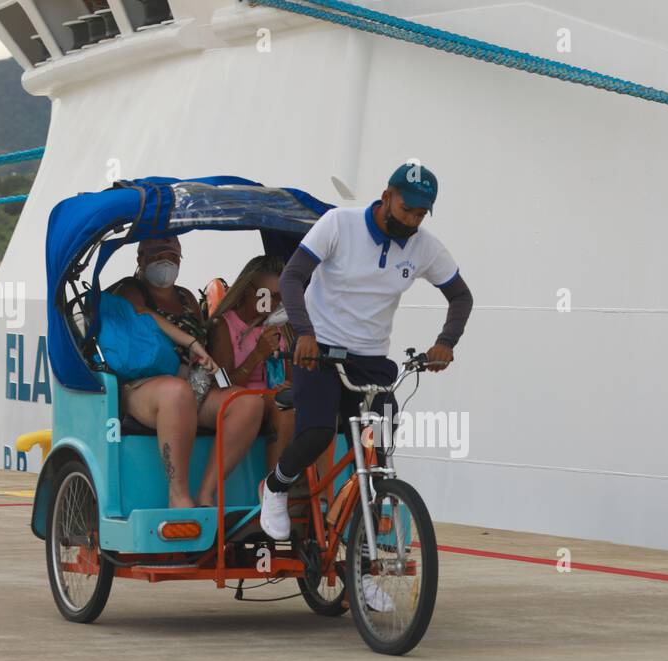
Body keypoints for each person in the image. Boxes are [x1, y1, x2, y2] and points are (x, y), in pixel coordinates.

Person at [258, 162, 474, 610]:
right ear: (386, 195)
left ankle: (361, 568)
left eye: (421, 213)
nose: (412, 219)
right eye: (407, 207)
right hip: (318, 352)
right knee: (317, 432)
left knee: (378, 459)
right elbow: (292, 277)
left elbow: (460, 296)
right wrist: (305, 333)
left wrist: (444, 342)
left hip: (372, 362)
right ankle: (276, 488)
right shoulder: (339, 224)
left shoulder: (424, 248)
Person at [113, 237, 264, 509]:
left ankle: (207, 494)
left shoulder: (186, 297)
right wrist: (190, 342)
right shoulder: (129, 290)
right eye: (159, 254)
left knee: (248, 403)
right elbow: (145, 315)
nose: (166, 261)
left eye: (172, 255)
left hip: (193, 383)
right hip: (142, 385)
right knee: (176, 392)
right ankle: (178, 496)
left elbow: (203, 336)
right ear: (141, 258)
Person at [206, 255, 296, 472]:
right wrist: (257, 355)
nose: (275, 303)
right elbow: (222, 384)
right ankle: (274, 488)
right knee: (281, 405)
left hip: (274, 400)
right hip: (242, 403)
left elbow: (292, 377)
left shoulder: (283, 328)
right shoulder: (223, 326)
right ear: (248, 290)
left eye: (281, 297)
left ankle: (317, 493)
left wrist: (290, 386)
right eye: (269, 296)